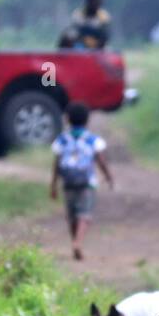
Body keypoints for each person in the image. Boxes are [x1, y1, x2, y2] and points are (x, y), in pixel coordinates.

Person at [50, 102, 113, 260]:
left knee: (72, 215)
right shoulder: (92, 140)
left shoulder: (62, 140)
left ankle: (74, 242)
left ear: (68, 120)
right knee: (84, 215)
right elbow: (100, 160)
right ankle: (78, 242)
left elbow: (56, 163)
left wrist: (53, 185)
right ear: (87, 120)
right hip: (87, 182)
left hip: (68, 182)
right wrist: (108, 176)